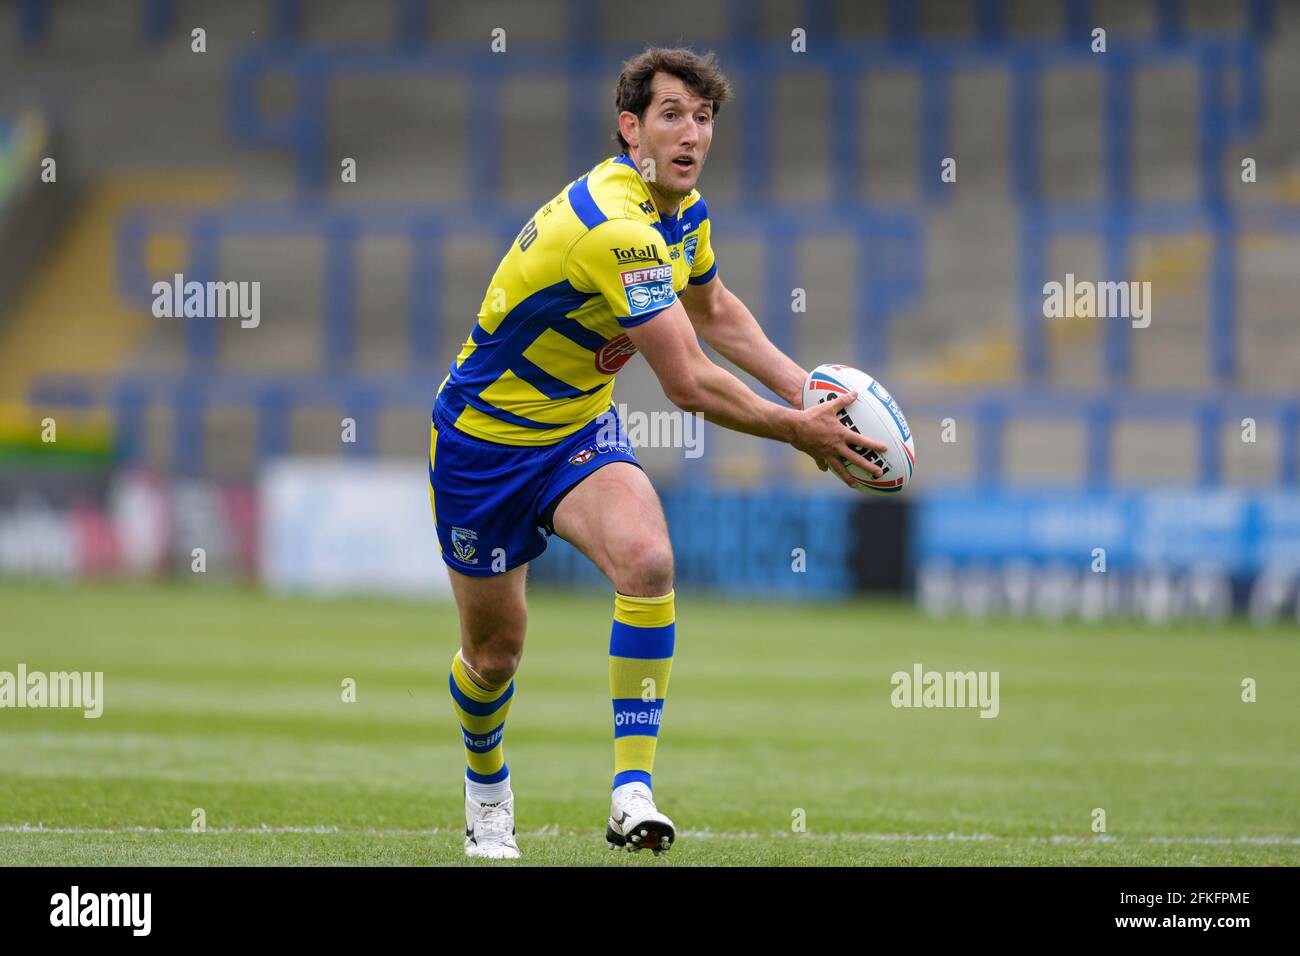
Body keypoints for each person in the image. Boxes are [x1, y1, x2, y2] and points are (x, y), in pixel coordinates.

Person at [430, 47, 883, 859]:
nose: (692, 134)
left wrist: (812, 392)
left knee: (648, 563)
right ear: (629, 127)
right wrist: (796, 430)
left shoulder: (683, 212)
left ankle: (631, 792)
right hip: (483, 445)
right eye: (672, 114)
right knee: (495, 658)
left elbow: (716, 312)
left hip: (574, 431)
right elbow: (687, 382)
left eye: (704, 118)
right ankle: (487, 788)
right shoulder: (616, 229)